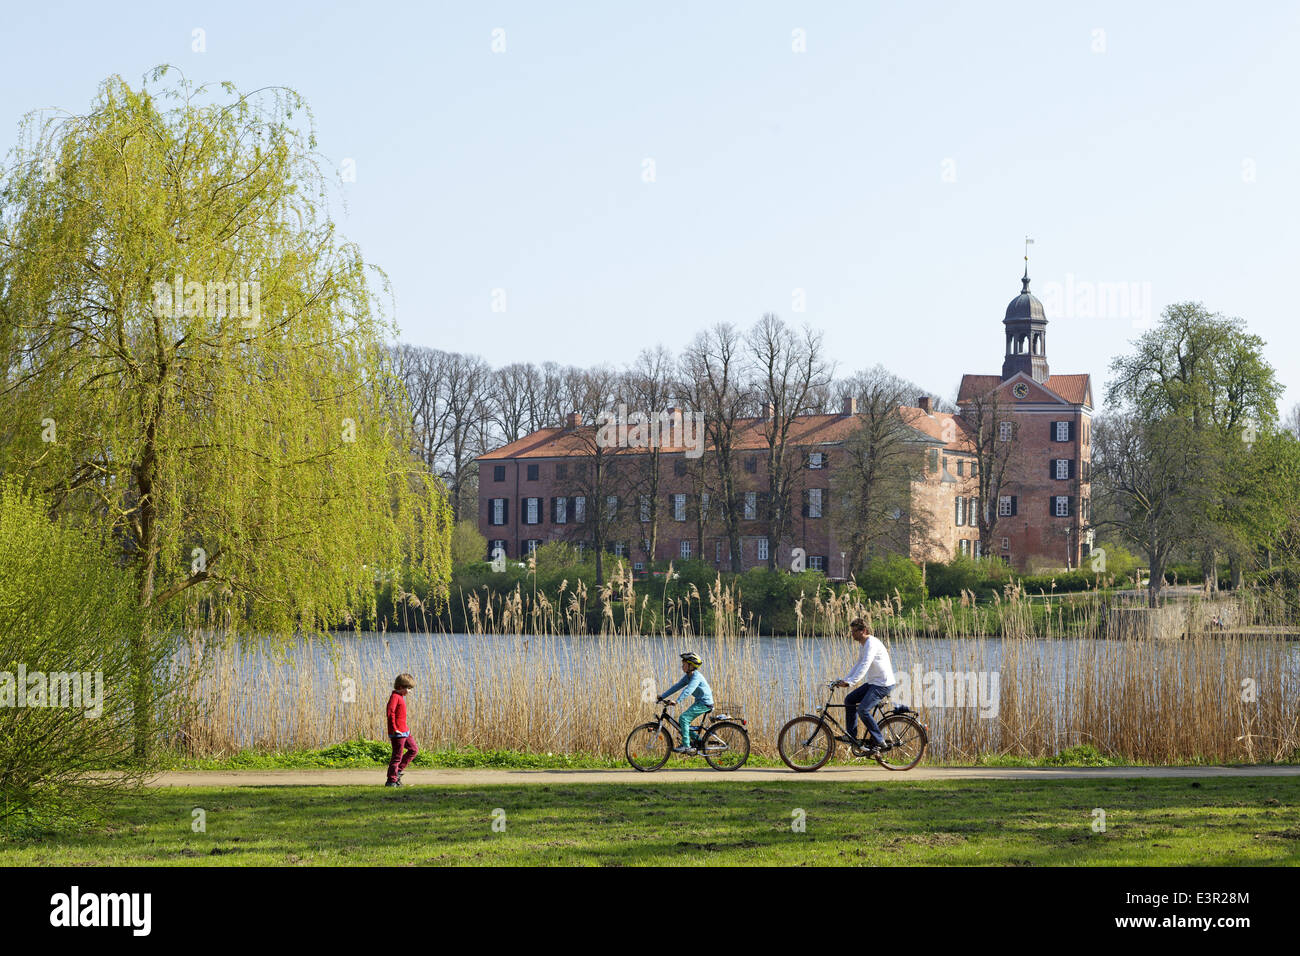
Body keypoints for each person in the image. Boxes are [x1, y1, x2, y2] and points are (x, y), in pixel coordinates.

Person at [833, 619, 896, 753]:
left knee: (863, 710)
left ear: (864, 631)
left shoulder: (871, 643)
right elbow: (858, 664)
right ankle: (851, 737)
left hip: (883, 684)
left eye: (856, 631)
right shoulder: (863, 645)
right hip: (874, 682)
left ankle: (880, 741)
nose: (853, 634)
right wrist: (845, 680)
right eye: (852, 631)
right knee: (849, 700)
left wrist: (851, 682)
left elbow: (865, 664)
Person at [657, 652, 714, 754]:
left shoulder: (696, 676)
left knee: (684, 718)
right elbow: (677, 686)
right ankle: (699, 741)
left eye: (684, 664)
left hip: (705, 703)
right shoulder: (688, 676)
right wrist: (662, 696)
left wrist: (677, 701)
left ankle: (687, 746)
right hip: (700, 702)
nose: (682, 666)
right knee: (683, 723)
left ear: (691, 665)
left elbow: (689, 690)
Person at [385, 673, 418, 787]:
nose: (409, 691)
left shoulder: (400, 697)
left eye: (410, 688)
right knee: (397, 756)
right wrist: (394, 729)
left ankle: (397, 771)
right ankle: (391, 780)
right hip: (398, 733)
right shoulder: (395, 697)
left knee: (413, 749)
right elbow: (390, 713)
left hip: (404, 731)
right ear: (400, 687)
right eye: (408, 688)